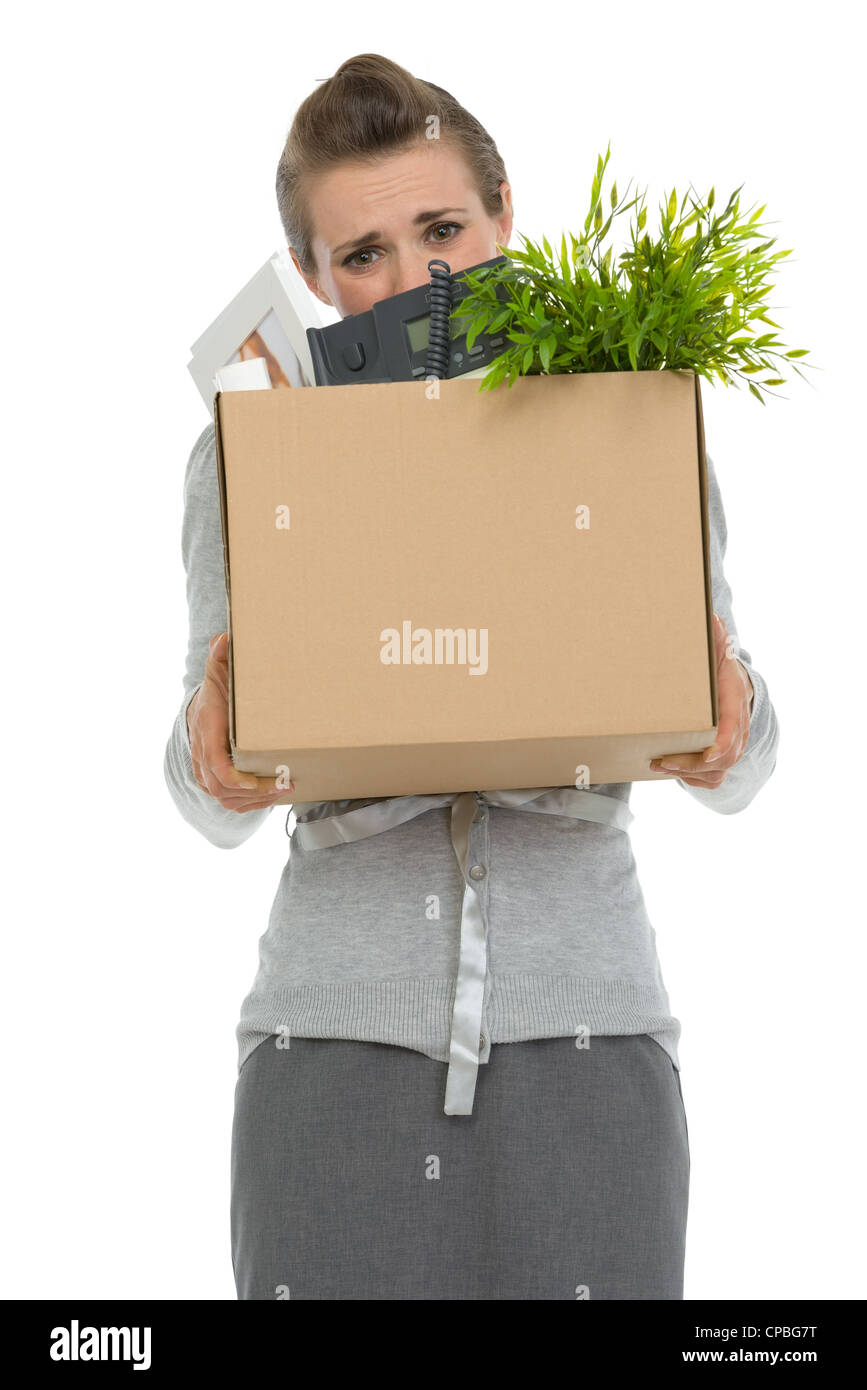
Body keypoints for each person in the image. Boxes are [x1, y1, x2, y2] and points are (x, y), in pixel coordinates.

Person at [164, 53, 780, 1301]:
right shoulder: (247, 462)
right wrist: (210, 753)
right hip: (328, 1047)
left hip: (592, 1040)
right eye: (364, 255)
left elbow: (742, 763)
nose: (417, 283)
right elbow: (206, 795)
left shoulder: (623, 420)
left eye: (443, 231)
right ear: (314, 280)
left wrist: (731, 714)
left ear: (505, 214)